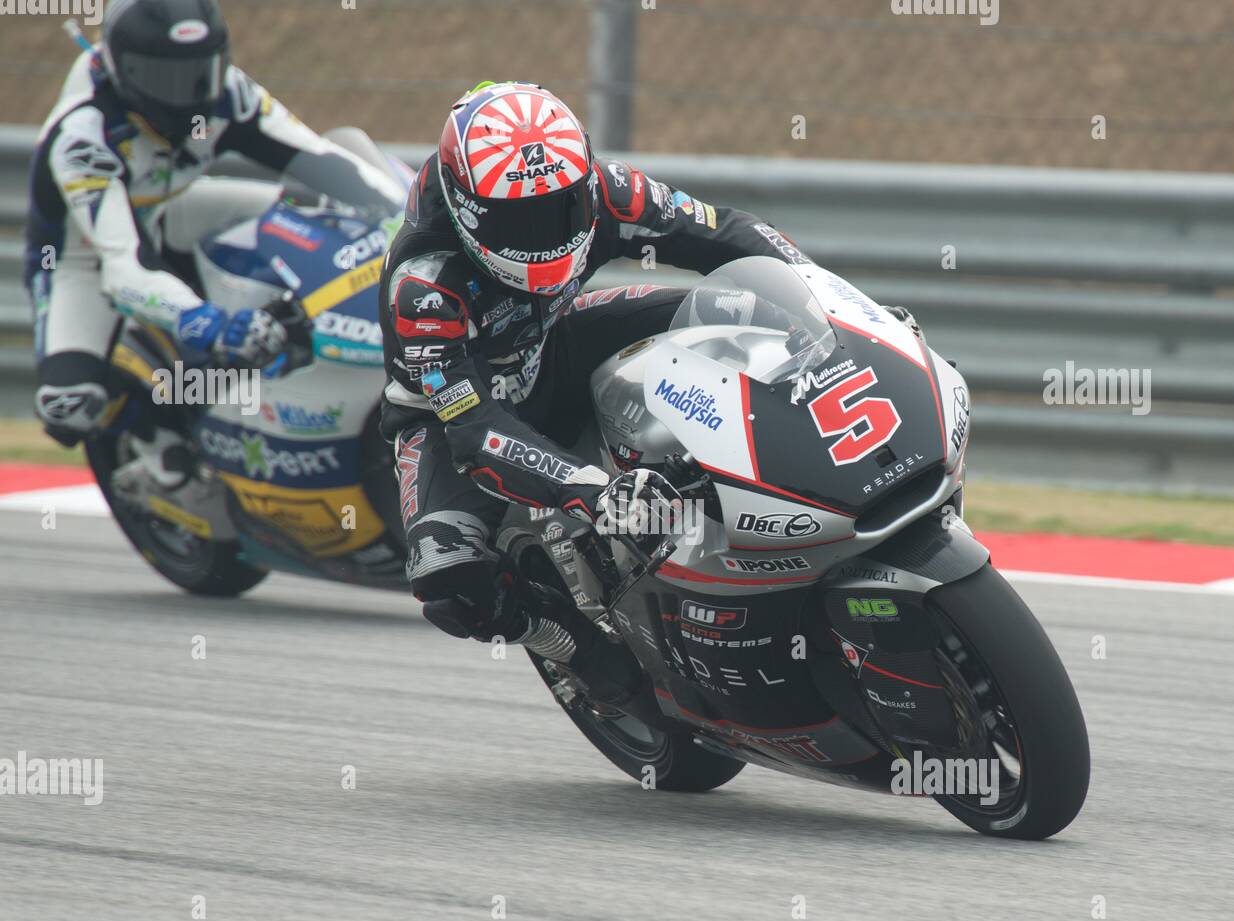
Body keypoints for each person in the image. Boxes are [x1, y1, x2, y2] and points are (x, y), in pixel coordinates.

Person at [378, 81, 827, 706]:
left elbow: (726, 232)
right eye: (520, 219)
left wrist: (830, 301)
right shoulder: (422, 290)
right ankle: (567, 645)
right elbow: (475, 428)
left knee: (740, 304)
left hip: (558, 345)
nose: (546, 235)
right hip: (453, 420)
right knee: (447, 578)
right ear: (466, 211)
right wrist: (593, 491)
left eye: (560, 209)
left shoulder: (606, 191)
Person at [25, 0, 392, 488]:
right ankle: (154, 435)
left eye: (201, 71)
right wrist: (209, 324)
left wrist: (411, 211)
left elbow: (322, 159)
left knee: (306, 212)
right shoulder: (84, 135)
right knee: (67, 405)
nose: (187, 93)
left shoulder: (229, 93)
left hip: (173, 208)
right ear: (119, 68)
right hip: (87, 255)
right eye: (162, 77)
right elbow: (123, 267)